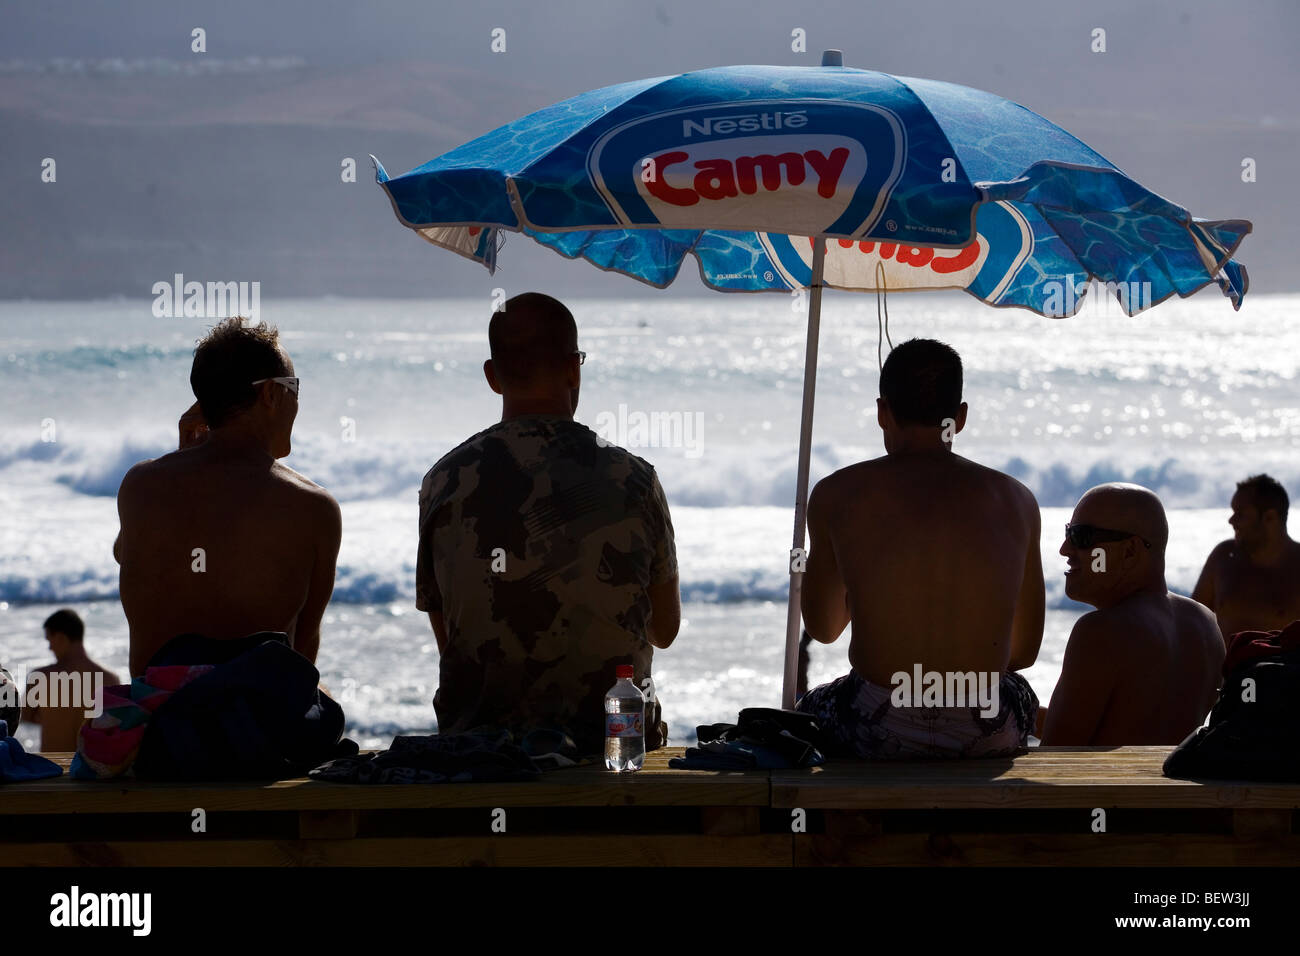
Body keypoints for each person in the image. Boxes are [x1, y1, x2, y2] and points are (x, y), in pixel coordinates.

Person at [417, 292, 680, 754]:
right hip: (608, 745)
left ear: (493, 376)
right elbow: (665, 628)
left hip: (479, 747)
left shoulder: (444, 480)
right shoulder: (634, 479)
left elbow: (452, 636)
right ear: (574, 368)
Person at [797, 338, 1043, 758]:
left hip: (879, 725)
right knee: (1018, 690)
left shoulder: (836, 494)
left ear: (882, 411)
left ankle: (844, 819)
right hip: (983, 725)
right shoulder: (1017, 500)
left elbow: (823, 629)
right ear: (959, 418)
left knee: (807, 710)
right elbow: (1022, 654)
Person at [115, 316, 341, 675]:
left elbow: (129, 555)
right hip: (253, 724)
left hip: (153, 720)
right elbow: (302, 654)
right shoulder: (312, 507)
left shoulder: (140, 485)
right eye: (293, 387)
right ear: (270, 393)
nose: (297, 401)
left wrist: (182, 453)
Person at [1041, 483, 1224, 745]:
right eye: (1068, 532)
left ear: (1129, 551)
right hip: (1171, 785)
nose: (1065, 549)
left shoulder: (1101, 632)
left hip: (1111, 786)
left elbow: (1056, 758)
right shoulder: (1206, 625)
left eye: (1082, 537)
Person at [1192, 474, 1300, 640]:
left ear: (1269, 518)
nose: (1231, 520)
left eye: (1240, 514)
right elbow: (1192, 623)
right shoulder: (1223, 557)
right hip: (1224, 666)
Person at [20, 609, 119, 752]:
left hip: (54, 768)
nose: (49, 648)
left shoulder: (40, 678)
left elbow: (24, 717)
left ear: (61, 637)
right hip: (92, 769)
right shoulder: (110, 679)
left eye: (49, 640)